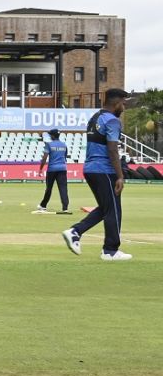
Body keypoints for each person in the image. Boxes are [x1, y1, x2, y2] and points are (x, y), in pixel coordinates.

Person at [62, 89, 132, 261]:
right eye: (123, 104)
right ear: (116, 103)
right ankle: (110, 250)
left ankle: (75, 232)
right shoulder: (113, 121)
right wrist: (120, 176)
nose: (124, 108)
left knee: (106, 208)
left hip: (90, 169)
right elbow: (112, 149)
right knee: (114, 210)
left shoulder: (95, 118)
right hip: (105, 170)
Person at [33, 128, 70, 213]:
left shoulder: (49, 144)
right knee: (63, 188)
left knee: (49, 188)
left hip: (52, 169)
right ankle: (65, 208)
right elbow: (65, 157)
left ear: (52, 136)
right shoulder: (64, 145)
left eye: (50, 135)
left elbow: (44, 158)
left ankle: (43, 205)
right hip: (62, 168)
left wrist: (40, 169)